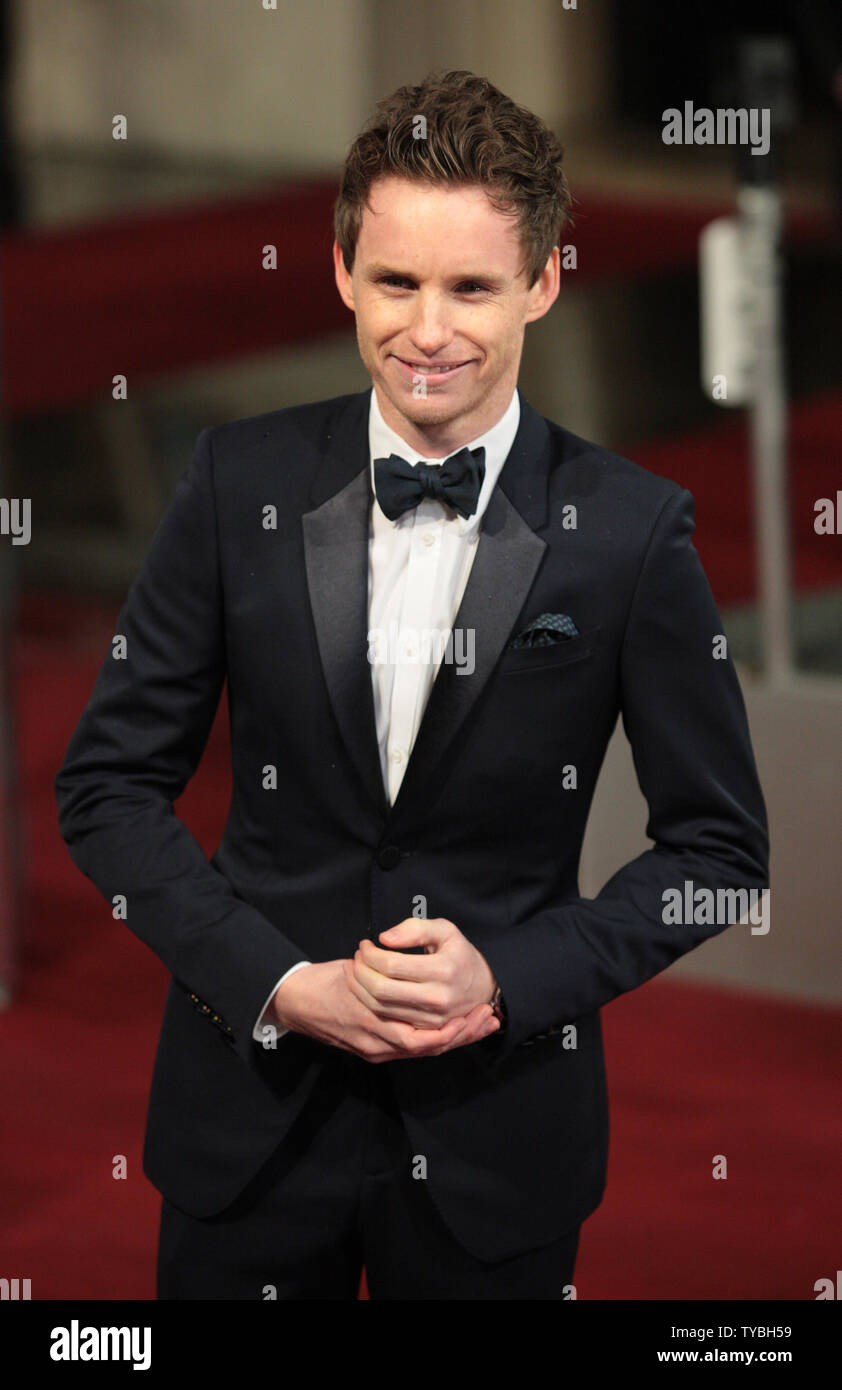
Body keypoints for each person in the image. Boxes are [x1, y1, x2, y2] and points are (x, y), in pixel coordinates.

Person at [54, 70, 769, 1300]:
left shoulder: (630, 532)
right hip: (249, 1123)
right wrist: (280, 982)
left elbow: (718, 857)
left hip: (497, 1138)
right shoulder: (238, 482)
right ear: (340, 270)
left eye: (471, 287)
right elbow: (107, 786)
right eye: (395, 281)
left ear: (543, 283)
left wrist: (508, 977)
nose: (426, 330)